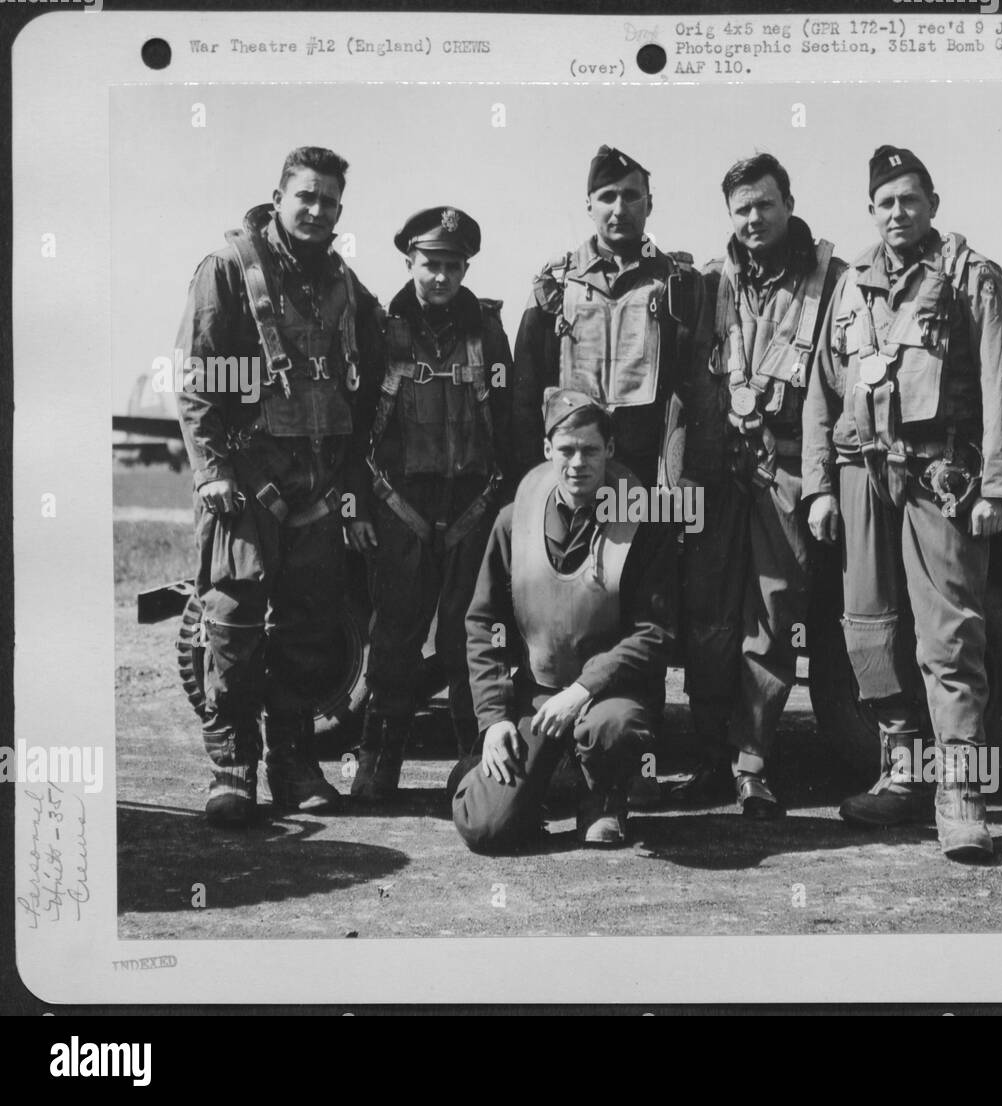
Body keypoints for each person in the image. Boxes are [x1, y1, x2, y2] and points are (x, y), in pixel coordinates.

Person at [802, 145, 1002, 860]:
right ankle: (900, 777)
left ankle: (960, 795)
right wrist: (816, 486)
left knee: (950, 638)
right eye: (884, 203)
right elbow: (821, 389)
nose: (897, 213)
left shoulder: (970, 277)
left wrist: (995, 485)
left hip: (940, 477)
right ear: (870, 211)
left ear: (932, 202)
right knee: (868, 629)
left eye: (909, 199)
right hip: (862, 475)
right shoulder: (849, 287)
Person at [175, 146, 384, 826]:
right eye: (307, 197)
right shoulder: (231, 271)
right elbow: (200, 378)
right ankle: (232, 770)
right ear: (280, 195)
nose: (318, 210)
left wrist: (350, 491)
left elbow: (366, 392)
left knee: (308, 630)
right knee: (233, 625)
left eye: (329, 201)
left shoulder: (346, 287)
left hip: (319, 486)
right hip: (247, 481)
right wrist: (211, 471)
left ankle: (293, 763)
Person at [679, 154, 847, 817]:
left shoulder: (832, 281)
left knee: (772, 619)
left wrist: (821, 482)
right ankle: (704, 757)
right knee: (708, 617)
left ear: (789, 202)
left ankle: (752, 764)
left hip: (788, 468)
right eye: (742, 208)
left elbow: (834, 391)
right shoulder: (707, 284)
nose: (754, 218)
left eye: (765, 205)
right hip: (719, 472)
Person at [452, 389, 678, 853]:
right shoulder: (513, 521)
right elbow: (484, 622)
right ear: (546, 449)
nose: (578, 463)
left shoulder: (646, 522)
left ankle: (603, 797)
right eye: (566, 450)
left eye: (591, 450)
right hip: (540, 694)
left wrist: (584, 689)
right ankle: (523, 783)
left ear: (610, 451)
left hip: (612, 695)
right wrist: (494, 719)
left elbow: (654, 632)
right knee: (486, 827)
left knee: (608, 729)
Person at [347, 207, 517, 802]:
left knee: (467, 636)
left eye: (451, 265)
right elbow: (356, 420)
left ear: (466, 266)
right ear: (409, 262)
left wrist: (512, 508)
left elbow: (512, 418)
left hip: (474, 502)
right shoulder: (379, 327)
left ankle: (476, 757)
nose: (440, 276)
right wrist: (357, 507)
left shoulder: (490, 329)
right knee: (393, 632)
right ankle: (378, 758)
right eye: (429, 264)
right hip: (399, 504)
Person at [511, 145, 702, 489]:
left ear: (649, 203)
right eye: (607, 197)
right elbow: (524, 395)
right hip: (570, 476)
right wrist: (530, 481)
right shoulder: (555, 285)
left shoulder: (680, 284)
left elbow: (701, 389)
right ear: (588, 205)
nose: (619, 209)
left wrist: (692, 478)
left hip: (652, 479)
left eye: (631, 196)